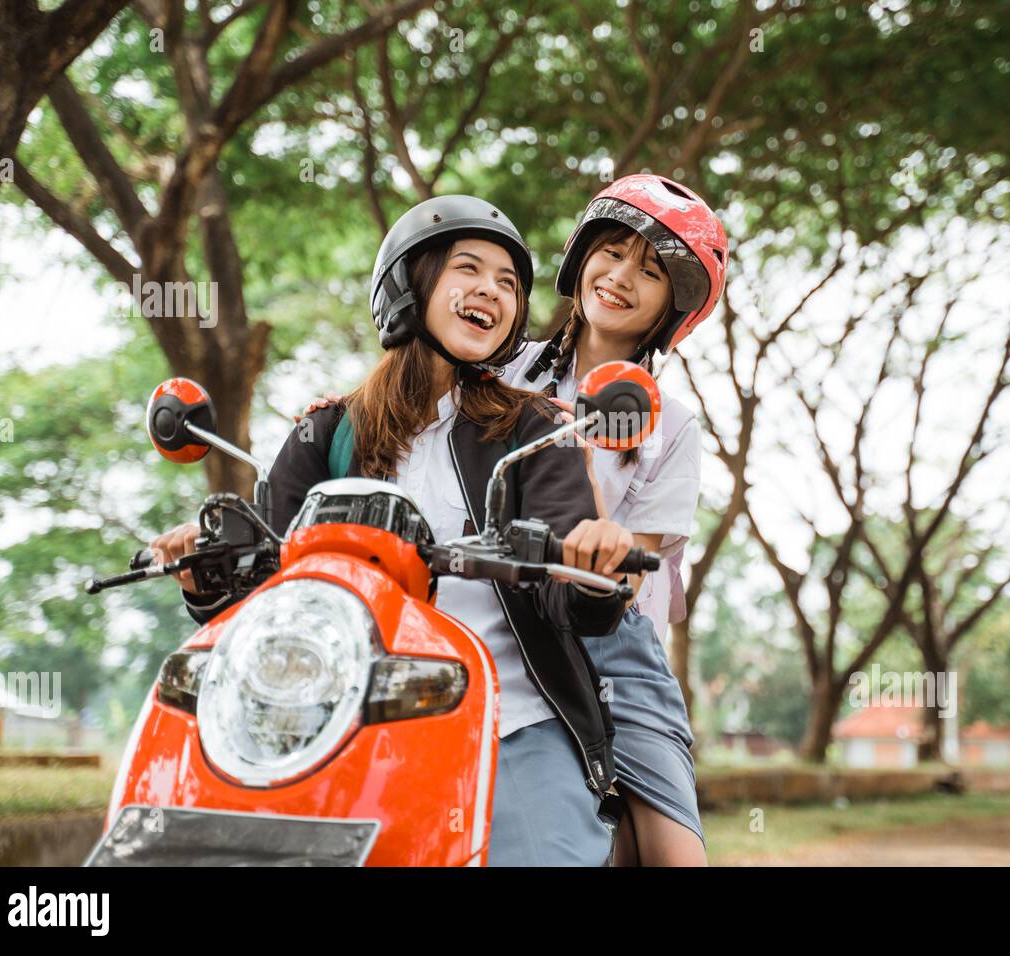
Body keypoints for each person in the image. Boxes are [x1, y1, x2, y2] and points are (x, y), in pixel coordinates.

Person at [148, 195, 638, 866]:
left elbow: (568, 593)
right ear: (411, 284)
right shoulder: (324, 432)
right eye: (470, 269)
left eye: (508, 284)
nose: (491, 292)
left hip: (511, 721)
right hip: (338, 724)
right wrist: (206, 572)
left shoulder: (534, 430)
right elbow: (268, 593)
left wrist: (594, 565)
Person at [307, 176, 728, 865]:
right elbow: (419, 409)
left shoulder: (673, 426)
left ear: (670, 311)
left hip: (608, 639)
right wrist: (348, 409)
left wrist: (582, 473)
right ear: (580, 257)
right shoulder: (504, 366)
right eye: (612, 253)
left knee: (672, 855)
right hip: (498, 620)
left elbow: (630, 560)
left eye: (650, 273)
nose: (622, 277)